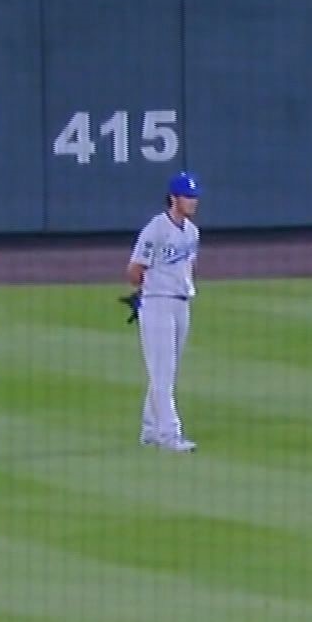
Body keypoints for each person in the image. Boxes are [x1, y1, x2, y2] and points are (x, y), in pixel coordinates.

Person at [127, 171, 202, 452]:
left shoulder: (193, 232)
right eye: (188, 196)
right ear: (173, 198)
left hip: (182, 303)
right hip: (158, 304)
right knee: (162, 372)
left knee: (167, 372)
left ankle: (150, 429)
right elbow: (134, 271)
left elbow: (187, 269)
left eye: (195, 196)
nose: (193, 201)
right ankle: (170, 436)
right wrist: (147, 294)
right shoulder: (155, 229)